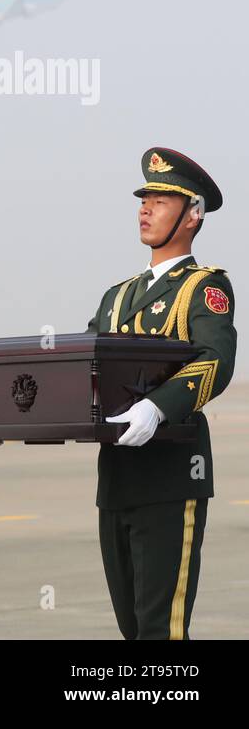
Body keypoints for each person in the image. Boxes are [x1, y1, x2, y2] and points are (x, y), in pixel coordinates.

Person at [84, 147, 234, 639]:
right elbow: (82, 370)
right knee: (132, 628)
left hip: (171, 476)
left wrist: (157, 407)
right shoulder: (116, 296)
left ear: (193, 215)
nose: (145, 208)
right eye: (144, 198)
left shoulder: (204, 287)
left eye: (161, 200)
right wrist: (10, 418)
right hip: (118, 479)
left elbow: (215, 360)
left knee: (160, 631)